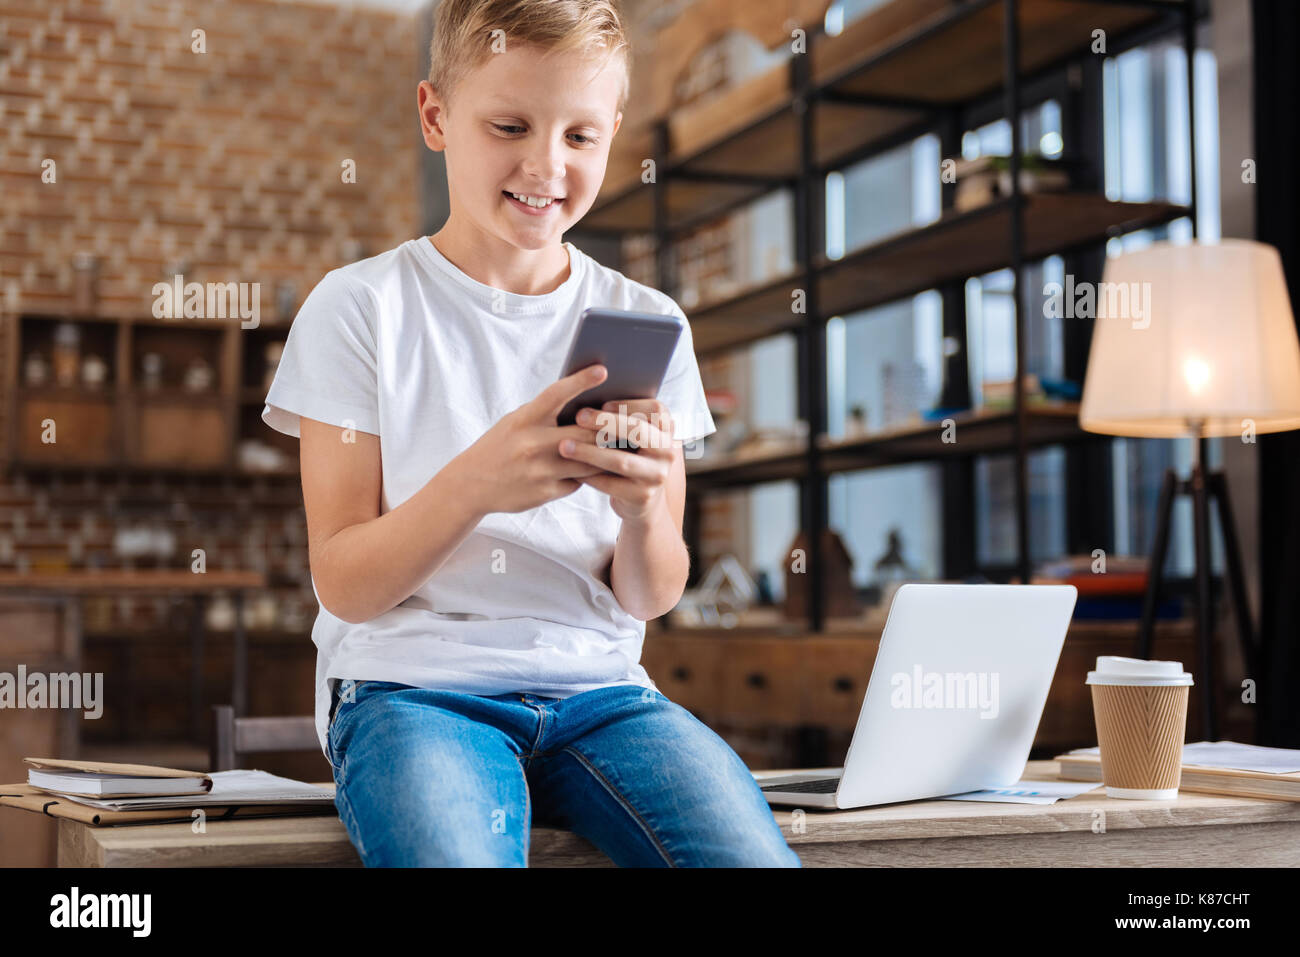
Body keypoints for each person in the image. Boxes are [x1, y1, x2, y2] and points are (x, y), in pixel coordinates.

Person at [261, 0, 800, 867]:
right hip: (414, 694)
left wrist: (641, 515)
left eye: (581, 137)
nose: (545, 165)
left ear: (614, 132)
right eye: (510, 124)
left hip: (607, 696)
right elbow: (346, 584)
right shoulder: (361, 308)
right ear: (436, 116)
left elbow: (654, 592)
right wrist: (477, 482)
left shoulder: (644, 319)